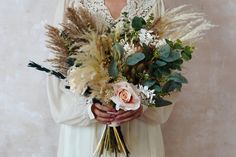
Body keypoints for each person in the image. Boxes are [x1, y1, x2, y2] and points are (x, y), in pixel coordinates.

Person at [47, 0, 179, 156]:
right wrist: (87, 110)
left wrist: (143, 103)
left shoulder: (153, 3)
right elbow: (58, 65)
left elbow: (168, 65)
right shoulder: (73, 2)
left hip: (136, 126)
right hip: (87, 132)